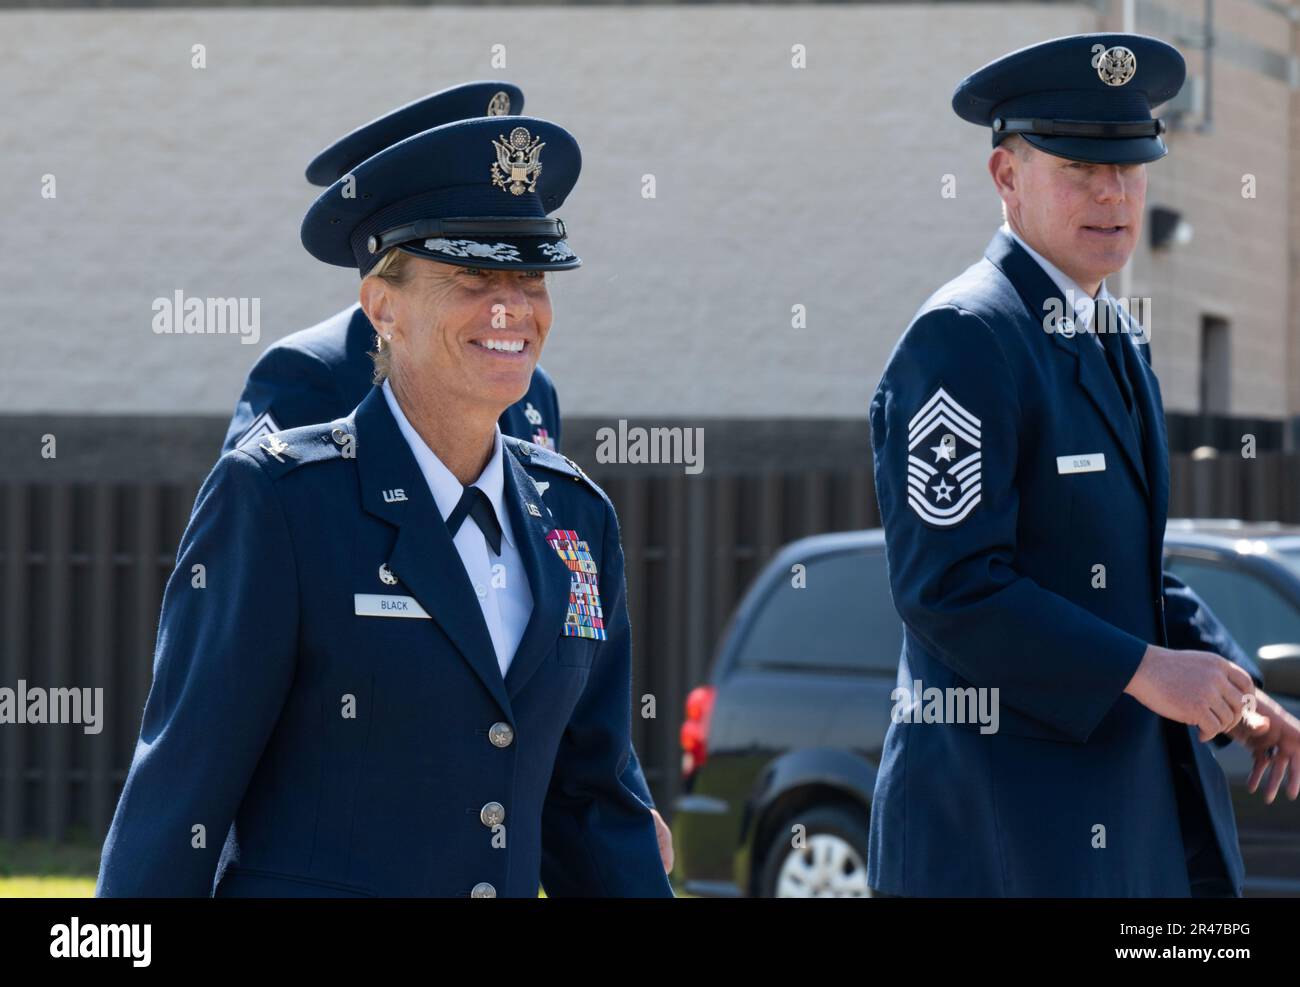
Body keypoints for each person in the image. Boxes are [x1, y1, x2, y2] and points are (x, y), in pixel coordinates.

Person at [97, 116, 674, 897]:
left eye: (532, 279)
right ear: (382, 306)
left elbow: (589, 800)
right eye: (473, 280)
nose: (513, 309)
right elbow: (180, 796)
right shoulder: (278, 503)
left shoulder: (578, 518)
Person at [867, 33, 1299, 897]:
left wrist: (1233, 685)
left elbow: (1131, 573)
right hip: (1001, 834)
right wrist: (1146, 670)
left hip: (1121, 826)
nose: (1111, 193)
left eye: (1130, 168)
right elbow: (950, 588)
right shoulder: (964, 338)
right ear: (1005, 176)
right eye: (1075, 166)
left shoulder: (1115, 334)